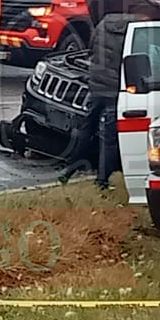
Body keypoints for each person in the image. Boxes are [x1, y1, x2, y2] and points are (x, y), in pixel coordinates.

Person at [59, 10, 130, 188]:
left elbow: (91, 48)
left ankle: (67, 171)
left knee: (86, 130)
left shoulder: (104, 23)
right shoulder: (134, 29)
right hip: (115, 91)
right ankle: (102, 181)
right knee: (108, 139)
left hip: (96, 87)